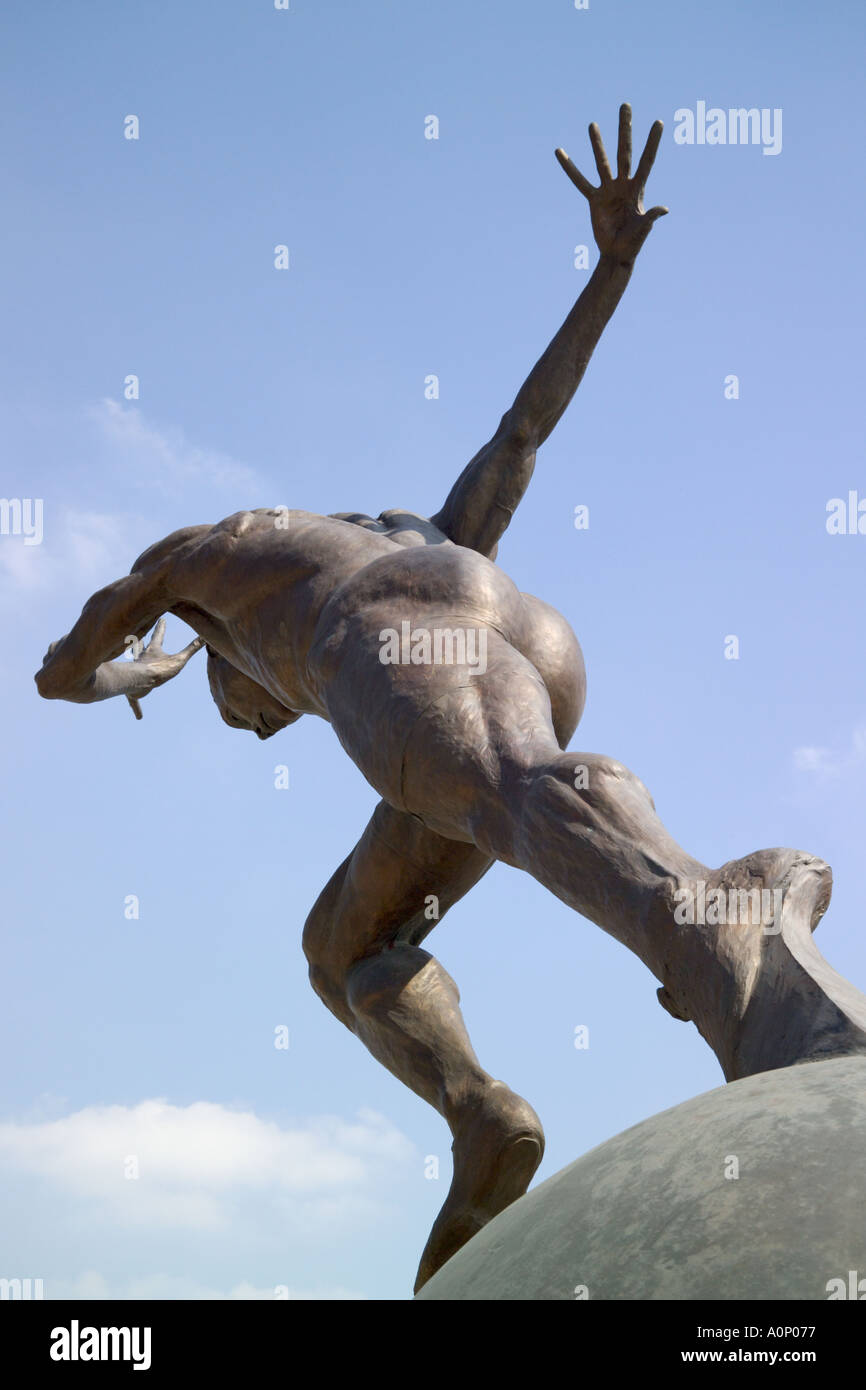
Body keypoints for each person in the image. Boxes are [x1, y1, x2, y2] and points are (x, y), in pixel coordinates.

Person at [36, 107, 843, 1291]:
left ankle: (725, 936)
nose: (258, 721)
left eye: (241, 710)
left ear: (213, 651)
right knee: (339, 947)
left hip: (407, 657)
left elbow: (57, 674)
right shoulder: (399, 542)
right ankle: (476, 1111)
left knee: (517, 799)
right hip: (523, 628)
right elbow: (521, 433)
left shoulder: (209, 560)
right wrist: (608, 271)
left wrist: (132, 666)